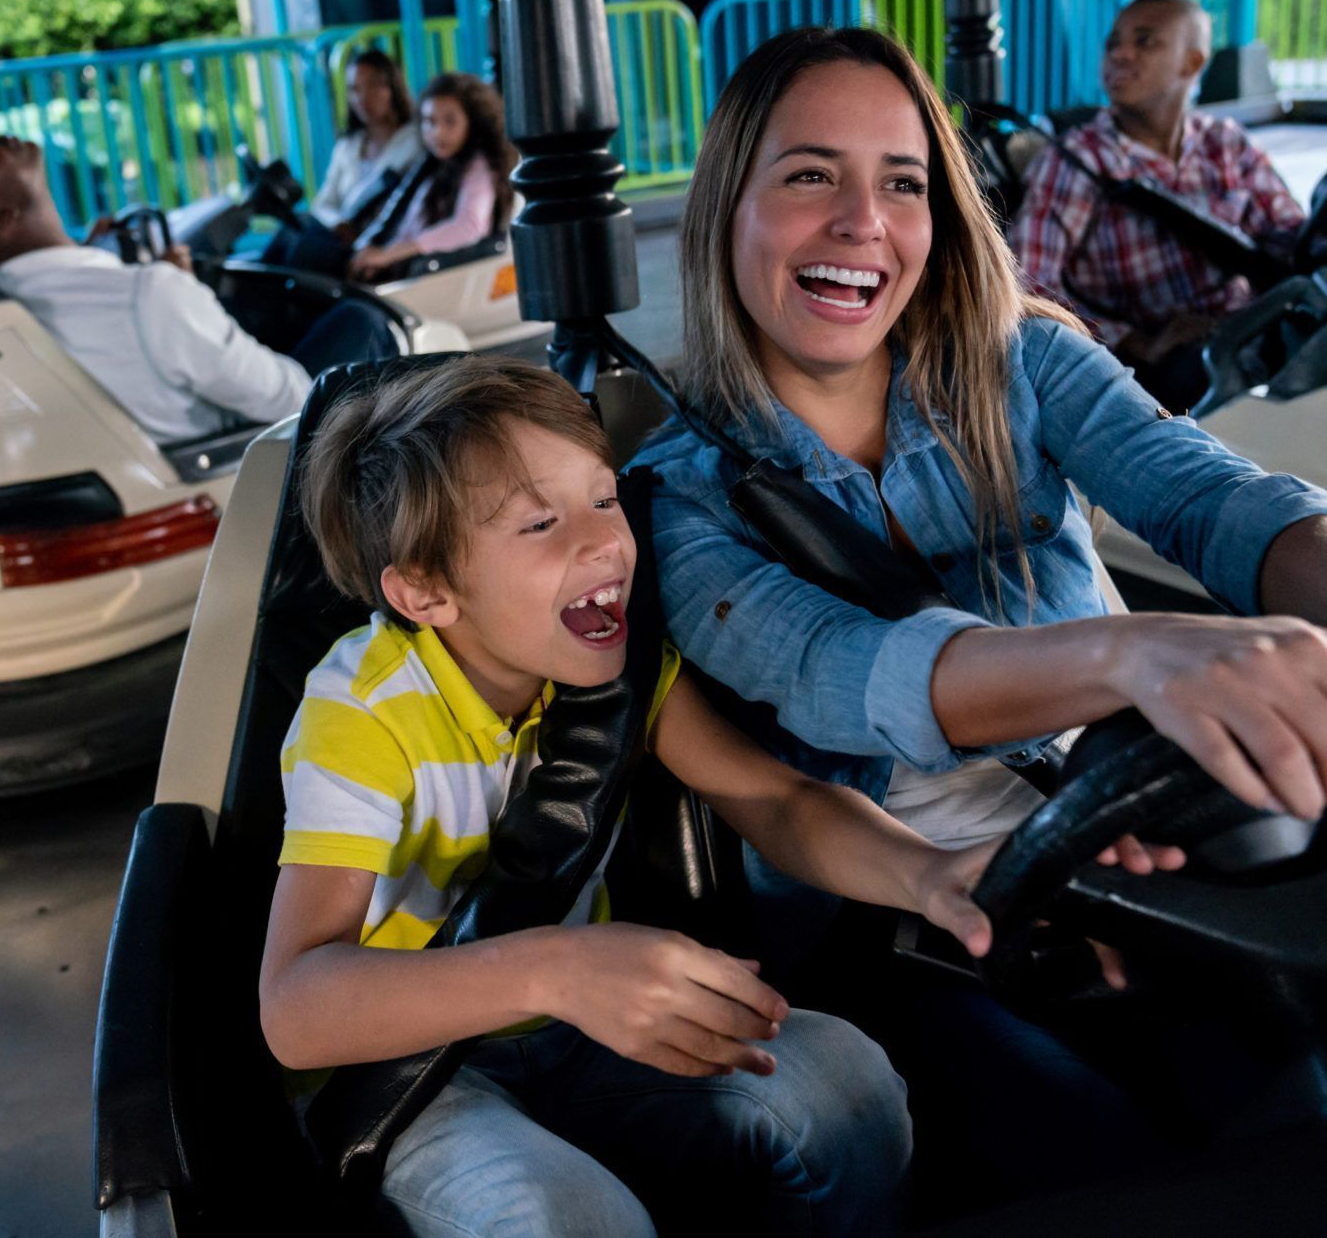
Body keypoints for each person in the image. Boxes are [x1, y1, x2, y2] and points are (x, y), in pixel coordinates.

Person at [633, 25, 1327, 1207]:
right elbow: (846, 667)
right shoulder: (676, 495)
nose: (860, 222)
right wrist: (1132, 650)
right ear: (725, 209)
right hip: (910, 912)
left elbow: (1208, 498)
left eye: (901, 183)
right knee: (1115, 1163)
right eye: (808, 175)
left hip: (1144, 821)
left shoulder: (1020, 361)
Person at [265, 355, 1022, 1237]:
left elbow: (778, 802)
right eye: (540, 523)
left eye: (604, 499)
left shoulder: (617, 671)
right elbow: (296, 1009)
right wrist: (559, 967)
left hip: (574, 1031)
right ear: (426, 591)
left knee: (847, 1085)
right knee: (570, 1218)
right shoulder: (363, 715)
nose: (604, 545)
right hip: (414, 1071)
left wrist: (928, 873)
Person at [0, 131, 395, 442]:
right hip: (240, 461)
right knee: (363, 320)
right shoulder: (148, 295)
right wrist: (184, 293)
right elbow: (290, 397)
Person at [1008, 0, 1306, 409]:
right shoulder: (1078, 162)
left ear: (1191, 63)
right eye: (1113, 44)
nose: (1120, 55)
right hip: (1153, 367)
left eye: (1144, 42)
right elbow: (1027, 285)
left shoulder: (1225, 143)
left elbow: (1293, 235)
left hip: (1245, 329)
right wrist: (1134, 341)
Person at [260, 71, 515, 284]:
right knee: (296, 232)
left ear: (472, 121)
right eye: (429, 122)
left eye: (450, 122)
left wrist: (387, 255)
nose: (437, 132)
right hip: (386, 257)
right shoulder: (434, 163)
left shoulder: (478, 166)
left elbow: (468, 227)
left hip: (407, 270)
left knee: (304, 252)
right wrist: (370, 248)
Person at [310, 49, 425, 232]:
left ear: (393, 87)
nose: (362, 98)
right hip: (340, 238)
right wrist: (338, 224)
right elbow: (323, 204)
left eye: (373, 86)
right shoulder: (346, 147)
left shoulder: (417, 140)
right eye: (354, 89)